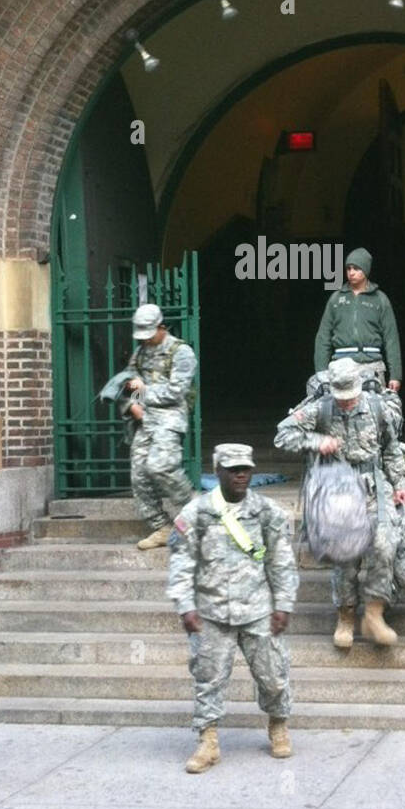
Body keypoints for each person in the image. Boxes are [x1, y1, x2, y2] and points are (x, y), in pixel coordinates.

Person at [167, 443, 298, 773]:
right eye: (233, 469)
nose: (241, 474)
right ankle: (208, 742)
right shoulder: (197, 513)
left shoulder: (266, 511)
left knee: (273, 676)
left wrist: (283, 604)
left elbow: (281, 561)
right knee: (207, 679)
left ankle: (278, 724)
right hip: (211, 612)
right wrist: (185, 606)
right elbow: (181, 562)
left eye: (246, 469)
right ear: (218, 471)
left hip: (258, 610)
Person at [275, 357, 405, 648]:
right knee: (346, 556)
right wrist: (315, 442)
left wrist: (399, 484)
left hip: (374, 485)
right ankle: (346, 616)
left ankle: (374, 613)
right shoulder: (320, 409)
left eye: (351, 397)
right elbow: (282, 435)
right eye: (342, 398)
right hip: (338, 489)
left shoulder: (376, 406)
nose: (346, 402)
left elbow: (391, 447)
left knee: (384, 544)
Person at [125, 302, 198, 551]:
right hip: (145, 420)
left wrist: (143, 393)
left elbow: (177, 391)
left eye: (149, 334)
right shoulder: (140, 352)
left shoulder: (181, 352)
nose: (145, 340)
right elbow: (128, 382)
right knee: (139, 474)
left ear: (161, 327)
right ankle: (162, 527)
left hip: (170, 417)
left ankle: (197, 514)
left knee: (160, 465)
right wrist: (132, 404)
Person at [314, 247, 402, 391]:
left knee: (374, 410)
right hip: (341, 366)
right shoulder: (336, 300)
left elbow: (391, 338)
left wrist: (395, 375)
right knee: (342, 410)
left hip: (372, 365)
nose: (351, 272)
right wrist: (321, 373)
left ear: (366, 270)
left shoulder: (380, 299)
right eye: (348, 268)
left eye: (356, 268)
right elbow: (323, 338)